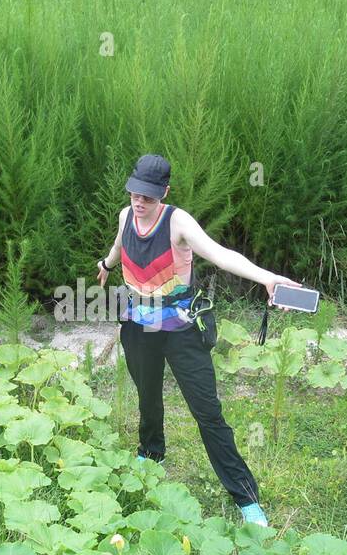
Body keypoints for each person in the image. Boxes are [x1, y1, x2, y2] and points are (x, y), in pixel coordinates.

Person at [95, 154, 301, 527]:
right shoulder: (126, 216)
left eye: (148, 197)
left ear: (165, 193)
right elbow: (118, 246)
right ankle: (150, 454)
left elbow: (222, 256)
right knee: (148, 397)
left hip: (180, 329)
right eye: (134, 194)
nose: (139, 203)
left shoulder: (178, 222)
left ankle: (245, 497)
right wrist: (106, 266)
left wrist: (267, 278)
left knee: (208, 413)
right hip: (137, 324)